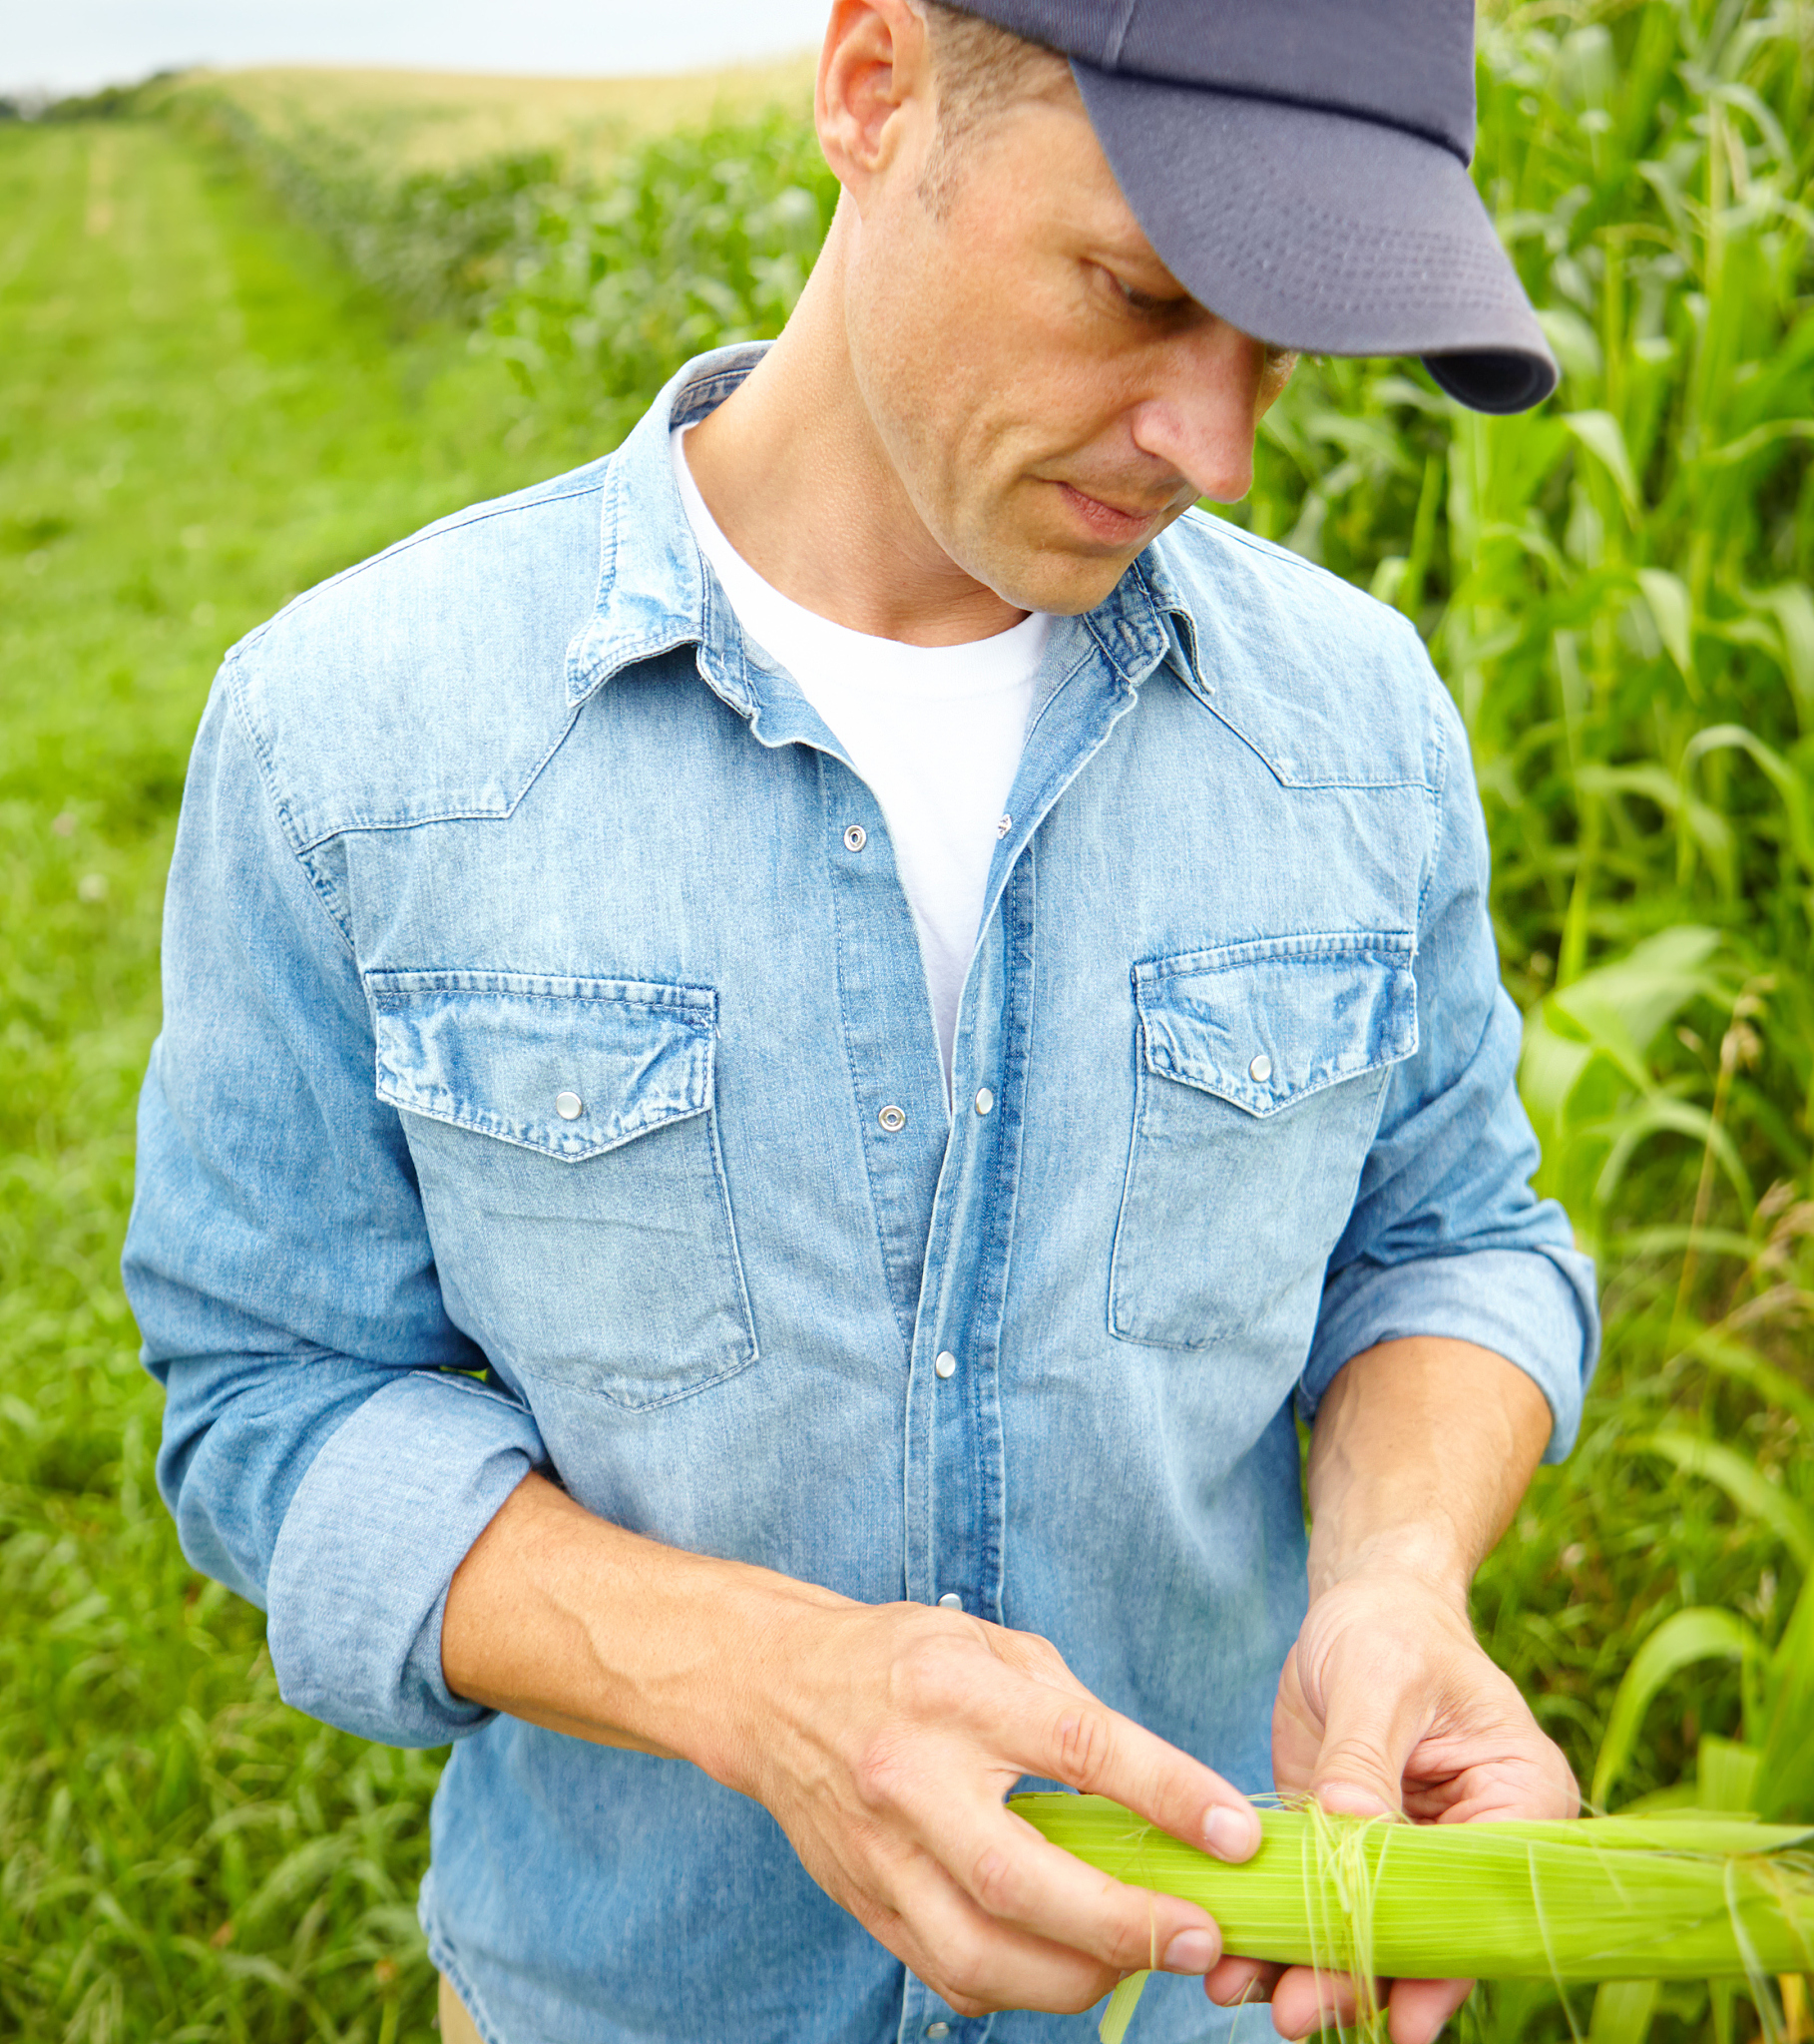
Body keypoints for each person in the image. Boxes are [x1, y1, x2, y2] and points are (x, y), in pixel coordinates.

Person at [123, 1, 1599, 2039]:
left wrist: (1398, 1574)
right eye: (1143, 293)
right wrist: (756, 1678)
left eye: (1280, 344)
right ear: (873, 87)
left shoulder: (1357, 729)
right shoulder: (352, 739)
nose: (1220, 445)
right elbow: (272, 1398)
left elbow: (1453, 1240)